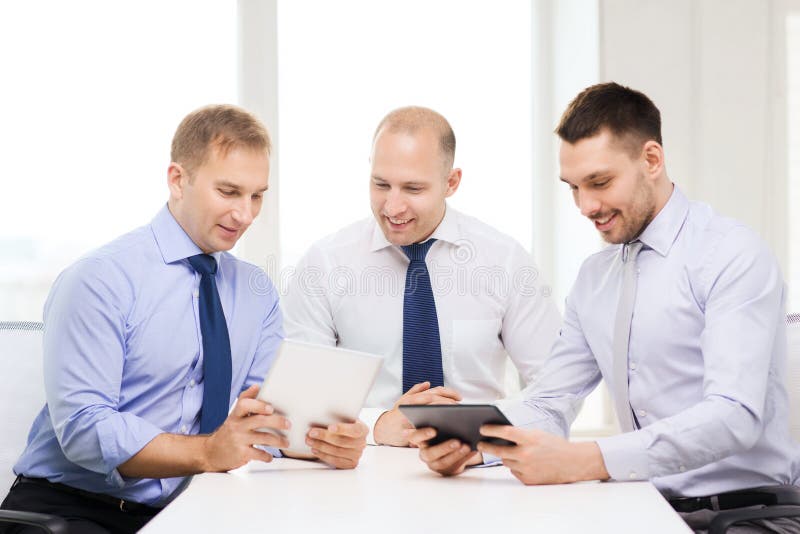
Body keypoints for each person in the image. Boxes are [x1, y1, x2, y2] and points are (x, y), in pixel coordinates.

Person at [410, 83, 800, 532]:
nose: (585, 206)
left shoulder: (731, 254)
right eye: (573, 188)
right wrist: (475, 444)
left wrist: (588, 459)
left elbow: (734, 416)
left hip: (747, 516)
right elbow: (551, 402)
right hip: (644, 508)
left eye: (599, 183)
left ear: (651, 160)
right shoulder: (595, 279)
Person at [0, 105, 367, 534]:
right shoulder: (100, 278)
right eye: (229, 192)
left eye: (257, 196)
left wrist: (323, 443)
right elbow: (84, 430)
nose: (246, 214)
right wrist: (208, 452)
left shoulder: (256, 292)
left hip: (188, 509)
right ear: (178, 180)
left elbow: (263, 419)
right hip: (71, 510)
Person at [283, 106, 561, 461]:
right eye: (381, 184)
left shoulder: (505, 261)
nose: (392, 207)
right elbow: (298, 407)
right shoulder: (325, 263)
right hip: (361, 474)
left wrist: (479, 441)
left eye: (413, 188)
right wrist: (377, 425)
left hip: (481, 475)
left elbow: (557, 393)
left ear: (451, 182)